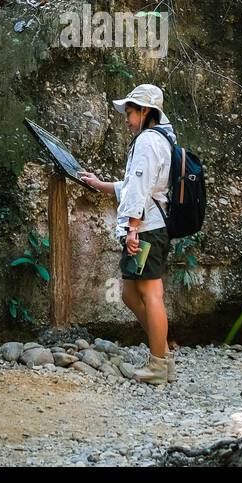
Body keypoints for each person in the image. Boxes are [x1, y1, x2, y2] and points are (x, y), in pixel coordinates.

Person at [79, 83, 176, 385]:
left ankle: (159, 364)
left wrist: (132, 229)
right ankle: (163, 355)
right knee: (130, 292)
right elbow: (132, 186)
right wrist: (99, 184)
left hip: (145, 228)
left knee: (150, 293)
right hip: (148, 225)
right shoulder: (161, 139)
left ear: (146, 111)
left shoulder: (148, 141)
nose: (126, 117)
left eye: (131, 111)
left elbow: (139, 190)